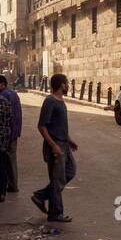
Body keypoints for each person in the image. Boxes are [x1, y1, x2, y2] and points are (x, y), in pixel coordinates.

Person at [32, 73, 77, 223]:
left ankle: (41, 195)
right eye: (66, 83)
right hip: (56, 146)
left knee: (70, 172)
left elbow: (59, 125)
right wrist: (54, 146)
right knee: (57, 180)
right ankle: (55, 213)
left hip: (64, 144)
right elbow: (42, 126)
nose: (68, 85)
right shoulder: (50, 101)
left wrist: (69, 140)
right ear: (61, 85)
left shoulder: (61, 101)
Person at [0, 74, 22, 193]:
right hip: (14, 131)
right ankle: (12, 184)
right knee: (11, 159)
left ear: (1, 84)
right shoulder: (13, 94)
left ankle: (9, 185)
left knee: (5, 160)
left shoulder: (3, 96)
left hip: (6, 132)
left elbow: (5, 116)